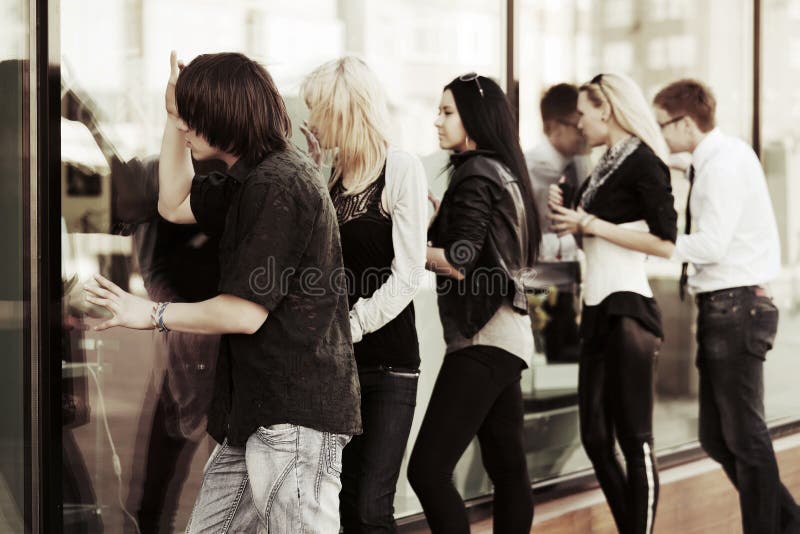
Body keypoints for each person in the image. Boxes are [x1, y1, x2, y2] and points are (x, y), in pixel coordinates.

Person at [84, 51, 361, 533]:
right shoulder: (249, 179)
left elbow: (245, 313)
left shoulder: (280, 184)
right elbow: (172, 203)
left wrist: (150, 313)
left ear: (221, 114)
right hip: (252, 416)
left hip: (292, 420)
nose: (185, 129)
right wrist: (171, 117)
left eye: (191, 116)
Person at [62, 81, 223, 533]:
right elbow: (118, 194)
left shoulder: (216, 180)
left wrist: (88, 118)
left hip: (211, 351)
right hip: (183, 350)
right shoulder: (168, 174)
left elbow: (125, 192)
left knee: (197, 487)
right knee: (155, 492)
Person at [652, 79, 800, 534]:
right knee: (716, 437)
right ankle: (789, 524)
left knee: (745, 438)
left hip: (735, 308)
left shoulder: (723, 165)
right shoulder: (716, 159)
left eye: (664, 127)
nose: (663, 137)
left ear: (685, 123)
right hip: (726, 307)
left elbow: (712, 244)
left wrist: (650, 247)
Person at [407, 73, 541, 533]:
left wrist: (403, 244)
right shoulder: (503, 171)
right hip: (508, 334)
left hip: (484, 337)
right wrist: (438, 219)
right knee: (508, 469)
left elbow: (461, 261)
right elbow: (480, 249)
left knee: (426, 470)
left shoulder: (476, 172)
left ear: (475, 118)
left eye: (447, 112)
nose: (437, 122)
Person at [299, 56, 428, 533]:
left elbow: (409, 273)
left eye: (317, 108)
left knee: (372, 508)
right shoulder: (328, 177)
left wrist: (350, 325)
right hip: (335, 366)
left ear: (342, 109)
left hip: (389, 364)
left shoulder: (401, 168)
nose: (309, 120)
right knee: (338, 505)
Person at [548, 72, 678, 534]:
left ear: (607, 108)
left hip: (628, 310)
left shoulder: (645, 162)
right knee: (596, 437)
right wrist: (570, 220)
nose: (579, 123)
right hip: (598, 310)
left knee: (634, 438)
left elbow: (665, 242)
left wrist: (589, 223)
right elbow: (593, 241)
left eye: (584, 113)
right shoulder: (602, 164)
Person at [524, 83, 589, 362]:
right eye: (578, 124)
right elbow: (525, 239)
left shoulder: (579, 165)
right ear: (555, 126)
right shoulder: (529, 169)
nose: (584, 130)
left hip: (569, 291)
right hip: (538, 293)